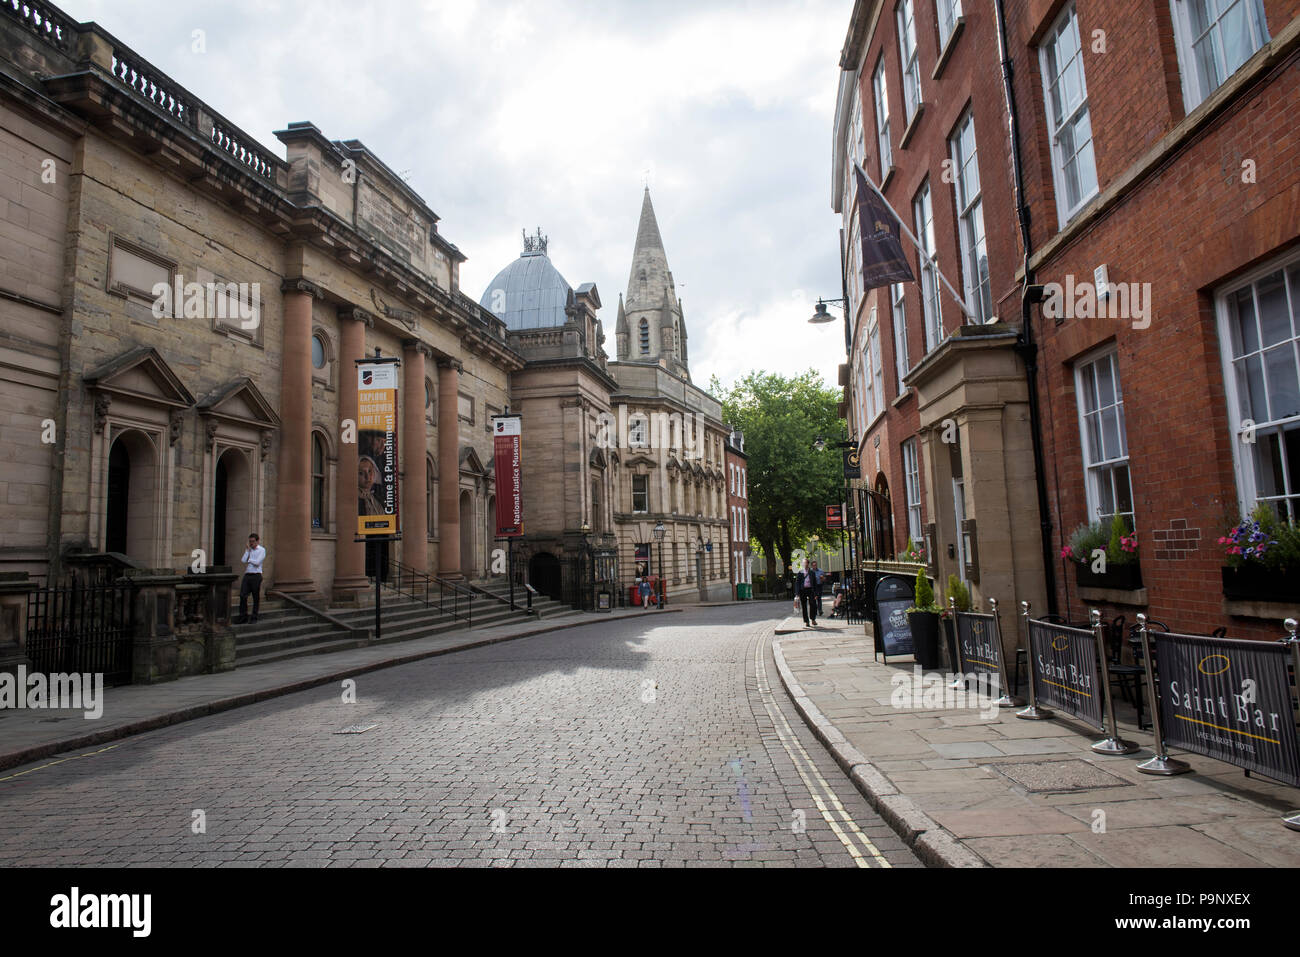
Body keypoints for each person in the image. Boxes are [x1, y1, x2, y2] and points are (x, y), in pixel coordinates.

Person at [235, 533, 265, 624]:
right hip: (247, 575)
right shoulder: (249, 550)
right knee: (243, 595)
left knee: (255, 597)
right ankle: (243, 616)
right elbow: (243, 560)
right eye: (250, 541)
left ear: (257, 541)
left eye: (253, 541)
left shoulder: (262, 550)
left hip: (256, 575)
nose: (251, 543)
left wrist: (249, 560)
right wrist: (247, 551)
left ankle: (254, 617)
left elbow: (257, 562)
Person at [798, 559, 820, 627]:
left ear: (808, 564)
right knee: (804, 606)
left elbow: (815, 583)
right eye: (803, 563)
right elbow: (797, 583)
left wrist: (816, 593)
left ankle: (813, 619)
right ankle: (806, 621)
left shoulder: (812, 572)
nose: (804, 564)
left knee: (813, 604)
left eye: (805, 563)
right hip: (803, 590)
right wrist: (797, 593)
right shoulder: (800, 572)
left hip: (811, 590)